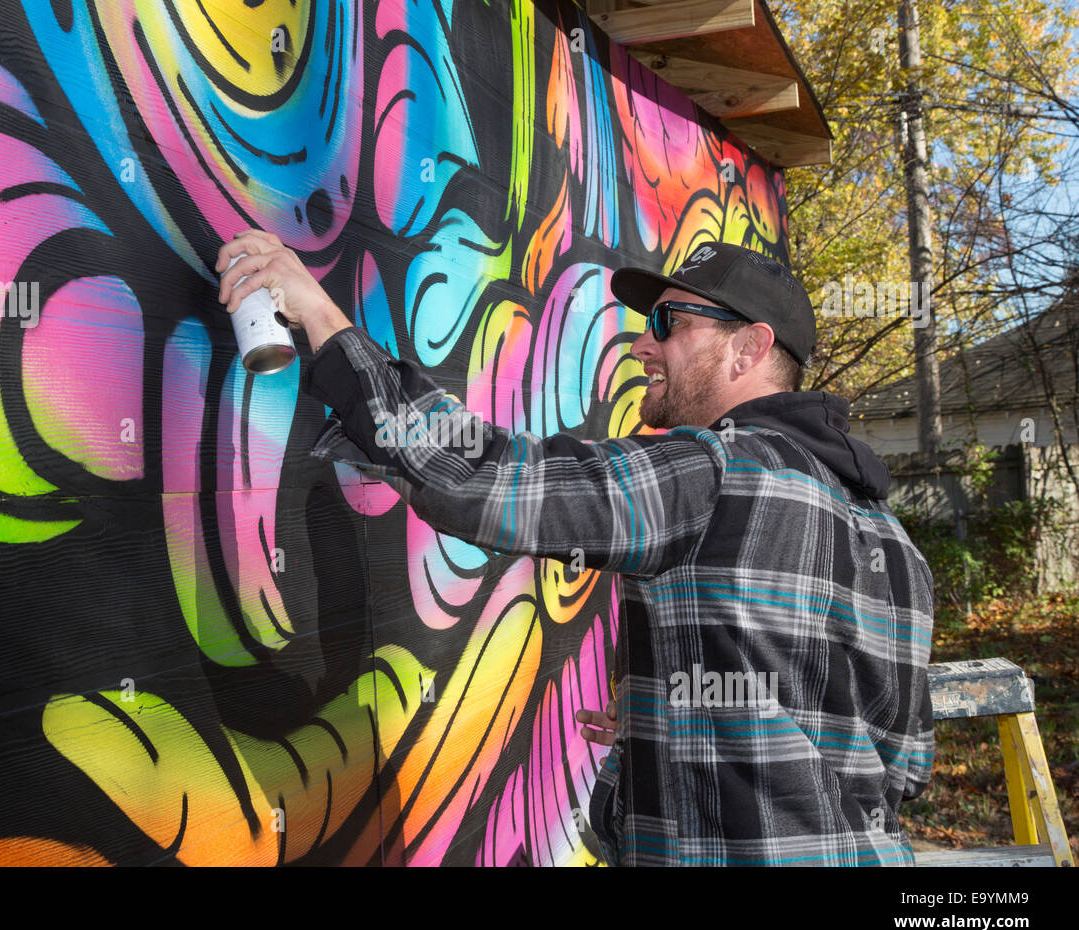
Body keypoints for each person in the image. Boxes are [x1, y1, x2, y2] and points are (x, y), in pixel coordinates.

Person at [215, 230, 935, 866]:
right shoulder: (893, 541)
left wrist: (320, 318)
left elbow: (485, 479)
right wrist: (700, 716)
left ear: (750, 347)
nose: (643, 342)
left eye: (669, 322)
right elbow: (899, 766)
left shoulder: (715, 474)